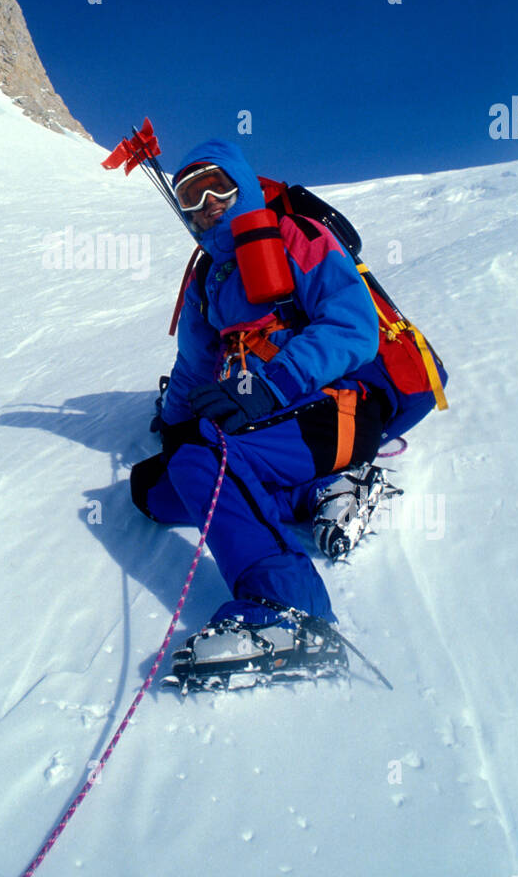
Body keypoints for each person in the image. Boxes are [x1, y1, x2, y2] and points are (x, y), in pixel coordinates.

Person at [129, 137, 393, 686]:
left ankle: (289, 612)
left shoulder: (296, 236)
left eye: (215, 188)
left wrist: (270, 386)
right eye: (189, 195)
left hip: (338, 411)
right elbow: (196, 367)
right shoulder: (209, 278)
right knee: (152, 489)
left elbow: (353, 327)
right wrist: (173, 419)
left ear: (242, 184)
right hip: (272, 428)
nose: (204, 205)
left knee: (203, 457)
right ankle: (327, 490)